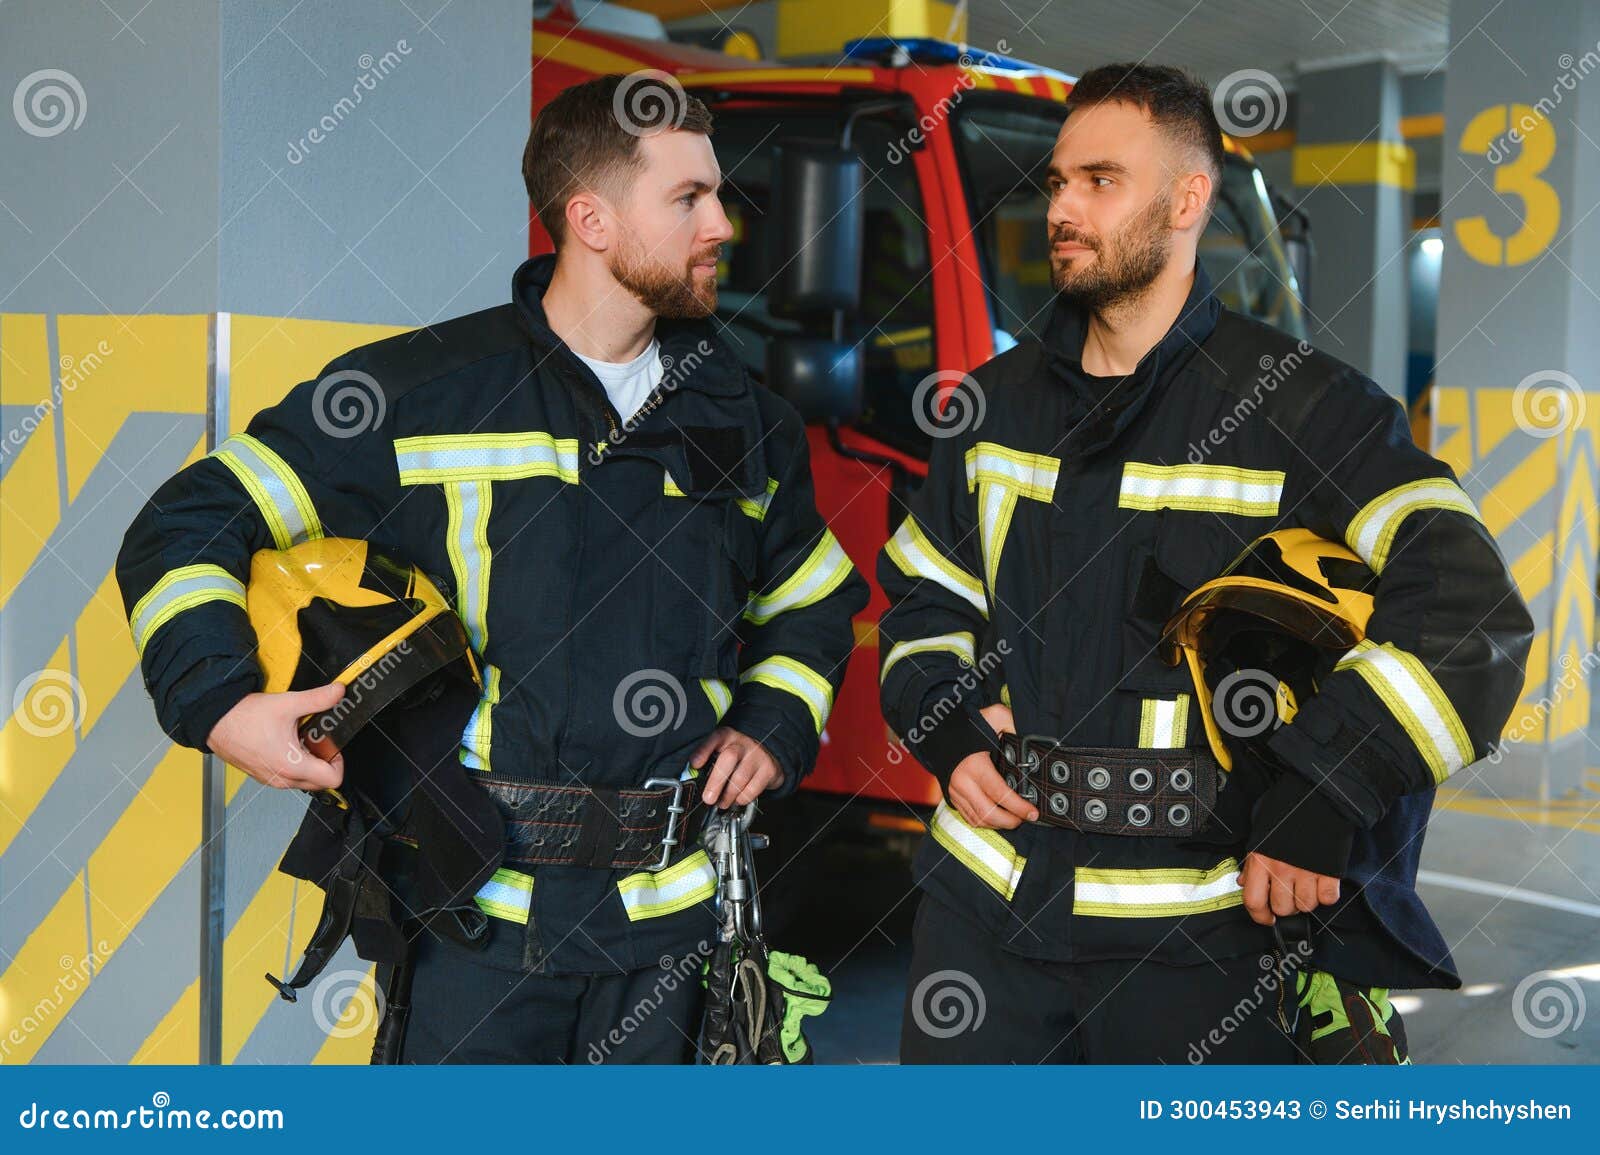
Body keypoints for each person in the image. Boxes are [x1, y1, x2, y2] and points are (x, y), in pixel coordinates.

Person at [116, 72, 867, 1064]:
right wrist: (219, 704)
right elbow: (187, 521)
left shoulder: (744, 417)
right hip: (475, 924)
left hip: (676, 935)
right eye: (689, 199)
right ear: (591, 220)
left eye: (716, 195)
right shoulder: (418, 393)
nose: (721, 224)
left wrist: (774, 721)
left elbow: (811, 602)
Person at [876, 63, 1532, 1064]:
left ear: (1186, 201)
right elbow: (924, 594)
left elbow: (1468, 617)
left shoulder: (1308, 410)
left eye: (1099, 181)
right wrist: (948, 724)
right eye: (1056, 183)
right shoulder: (991, 408)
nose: (1062, 207)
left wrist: (1325, 790)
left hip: (1197, 949)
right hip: (982, 928)